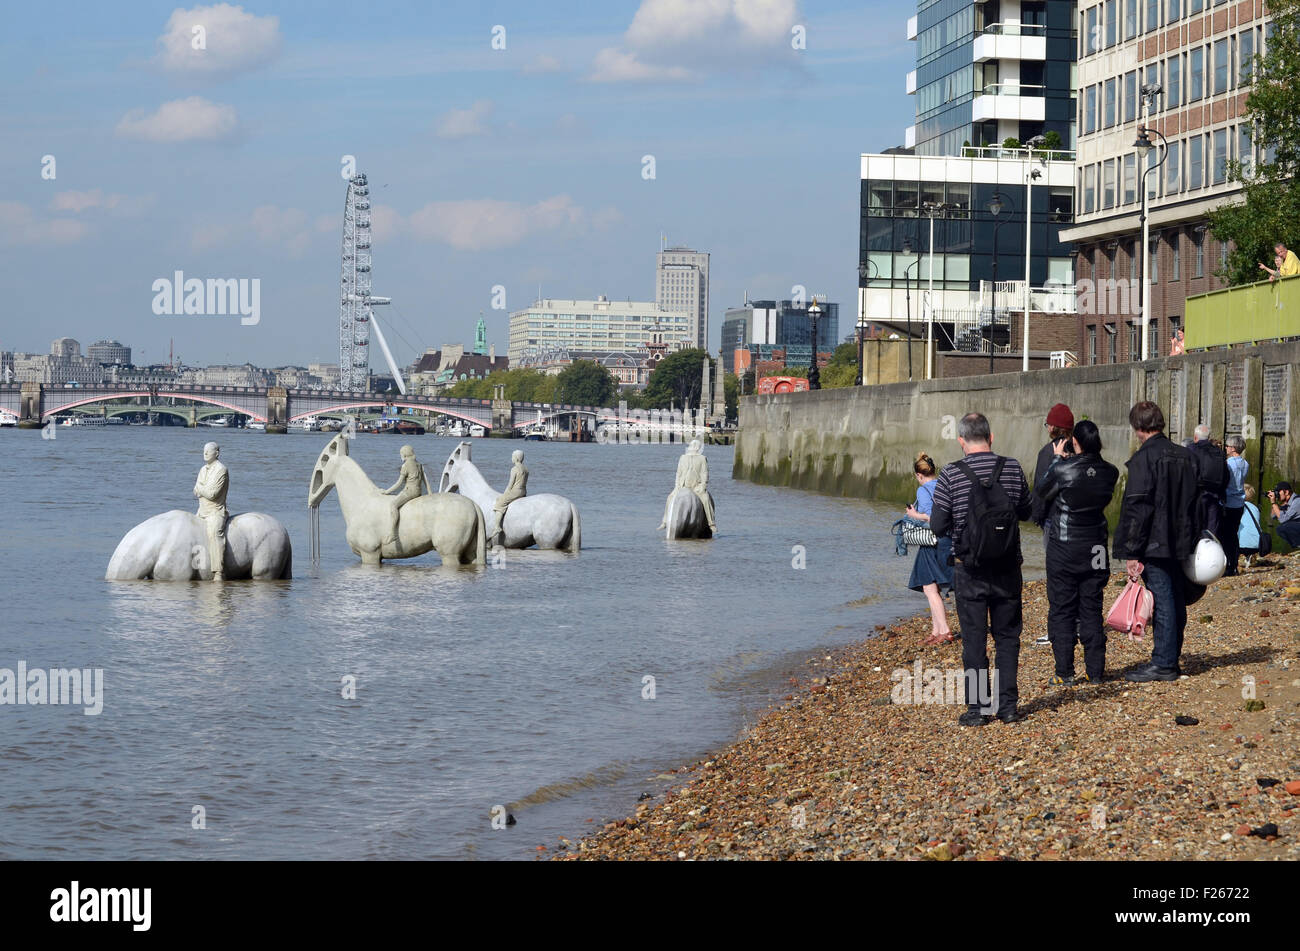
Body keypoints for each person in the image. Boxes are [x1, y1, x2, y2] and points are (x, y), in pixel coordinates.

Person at [930, 413, 1033, 726]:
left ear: (961, 440)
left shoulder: (950, 474)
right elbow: (1028, 512)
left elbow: (937, 524)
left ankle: (977, 709)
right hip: (1007, 567)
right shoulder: (1012, 468)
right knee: (1007, 637)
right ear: (991, 437)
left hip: (969, 569)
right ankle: (1009, 707)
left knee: (974, 640)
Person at [1113, 401, 1199, 682]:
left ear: (1138, 428)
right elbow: (1195, 502)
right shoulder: (1185, 456)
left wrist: (1131, 552)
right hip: (1181, 540)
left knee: (1163, 600)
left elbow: (1138, 509)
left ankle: (1164, 663)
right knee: (1174, 598)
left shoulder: (1143, 460)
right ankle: (1170, 657)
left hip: (1154, 541)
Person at [1032, 420, 1119, 685]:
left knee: (1062, 608)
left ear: (1076, 442)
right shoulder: (1110, 472)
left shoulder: (1064, 470)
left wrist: (1057, 460)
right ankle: (1095, 671)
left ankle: (1064, 671)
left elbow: (1042, 490)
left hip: (1065, 546)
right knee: (1092, 607)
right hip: (1095, 545)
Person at [1031, 402, 1075, 645]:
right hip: (1079, 523)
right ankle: (1076, 624)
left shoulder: (1048, 453)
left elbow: (1040, 490)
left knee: (1056, 578)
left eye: (1047, 423)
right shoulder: (1080, 450)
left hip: (1054, 521)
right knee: (1076, 575)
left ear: (1053, 428)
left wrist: (1037, 517)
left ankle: (1056, 629)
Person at [905, 452, 954, 646]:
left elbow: (932, 517)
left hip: (931, 542)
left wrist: (914, 515)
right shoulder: (945, 486)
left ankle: (945, 630)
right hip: (946, 540)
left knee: (929, 587)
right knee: (932, 585)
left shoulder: (923, 490)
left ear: (919, 475)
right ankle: (936, 631)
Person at [659, 439, 717, 534]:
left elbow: (704, 473)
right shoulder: (682, 458)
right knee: (669, 498)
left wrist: (703, 486)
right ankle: (665, 521)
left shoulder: (702, 458)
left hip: (696, 486)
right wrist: (677, 486)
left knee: (706, 499)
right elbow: (679, 473)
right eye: (692, 445)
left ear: (698, 448)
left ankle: (711, 523)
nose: (694, 447)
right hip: (683, 486)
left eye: (695, 446)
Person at [193, 441, 229, 582]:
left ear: (217, 453)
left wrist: (201, 488)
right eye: (204, 451)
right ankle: (196, 567)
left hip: (216, 511)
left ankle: (218, 571)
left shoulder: (221, 469)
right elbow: (195, 491)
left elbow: (212, 494)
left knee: (215, 534)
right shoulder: (203, 469)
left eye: (209, 451)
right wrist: (202, 489)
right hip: (201, 511)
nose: (205, 453)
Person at [382, 444, 429, 548]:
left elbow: (399, 483)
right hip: (418, 491)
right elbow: (425, 481)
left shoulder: (406, 465)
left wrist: (387, 491)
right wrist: (430, 494)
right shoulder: (419, 464)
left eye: (401, 454)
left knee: (393, 505)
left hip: (409, 491)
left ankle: (392, 532)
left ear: (404, 454)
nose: (400, 456)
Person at [1189, 423, 1229, 539]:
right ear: (1208, 437)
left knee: (1195, 529)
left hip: (1196, 496)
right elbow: (1226, 476)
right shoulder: (1219, 453)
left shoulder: (1190, 450)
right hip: (1214, 496)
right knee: (1212, 531)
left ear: (1195, 437)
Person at [1222, 435, 1248, 575]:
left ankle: (1227, 566)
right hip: (1240, 502)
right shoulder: (1246, 464)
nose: (1225, 448)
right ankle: (1234, 565)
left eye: (1227, 446)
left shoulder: (1228, 464)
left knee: (1225, 536)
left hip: (1228, 502)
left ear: (1232, 448)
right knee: (1234, 535)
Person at [491, 450, 529, 545]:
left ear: (516, 458)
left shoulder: (514, 469)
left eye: (512, 456)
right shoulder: (526, 469)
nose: (511, 458)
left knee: (499, 503)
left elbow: (510, 485)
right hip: (523, 491)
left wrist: (504, 495)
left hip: (515, 491)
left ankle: (497, 527)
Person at [1267, 481, 1300, 549]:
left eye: (1278, 491)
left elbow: (1282, 519)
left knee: (1284, 527)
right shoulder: (1286, 503)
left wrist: (1273, 503)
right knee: (1280, 528)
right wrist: (1274, 501)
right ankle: (1297, 547)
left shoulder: (1297, 501)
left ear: (1286, 492)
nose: (1277, 494)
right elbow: (1273, 516)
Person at [1238, 484, 1263, 568]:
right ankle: (1249, 556)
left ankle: (1238, 557)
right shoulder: (1255, 508)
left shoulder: (1237, 507)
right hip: (1257, 544)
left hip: (1240, 545)